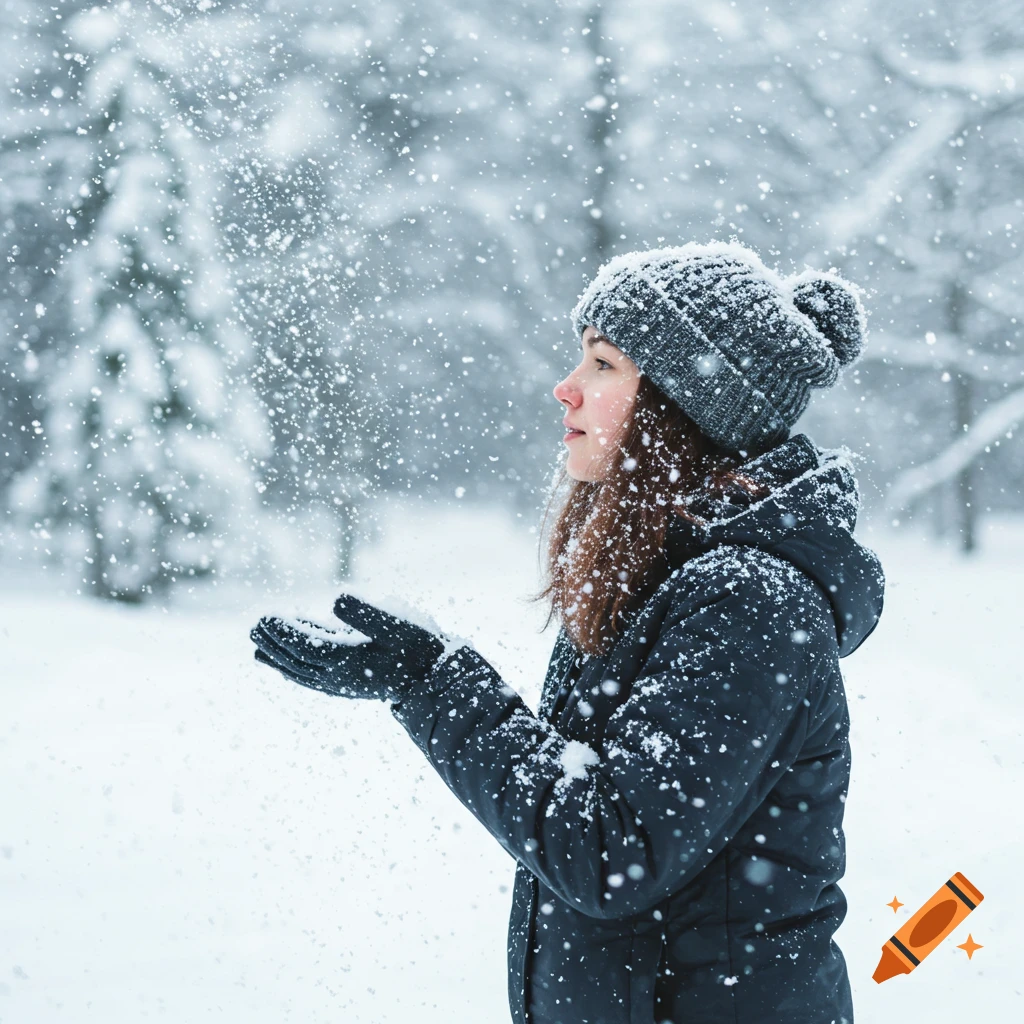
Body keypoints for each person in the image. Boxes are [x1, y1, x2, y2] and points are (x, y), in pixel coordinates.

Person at [250, 240, 886, 1024]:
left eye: (603, 364)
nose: (566, 389)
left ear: (684, 401)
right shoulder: (665, 578)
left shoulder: (747, 601)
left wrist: (433, 683)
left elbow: (609, 853)